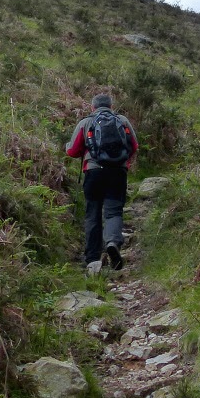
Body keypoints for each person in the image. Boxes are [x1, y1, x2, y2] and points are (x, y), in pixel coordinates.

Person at [66, 93, 138, 275]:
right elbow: (134, 146)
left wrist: (70, 146)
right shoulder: (122, 120)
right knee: (113, 211)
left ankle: (92, 259)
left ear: (93, 107)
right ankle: (113, 242)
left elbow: (73, 151)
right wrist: (121, 162)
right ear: (111, 106)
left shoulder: (86, 122)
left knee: (93, 213)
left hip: (93, 172)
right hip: (118, 172)